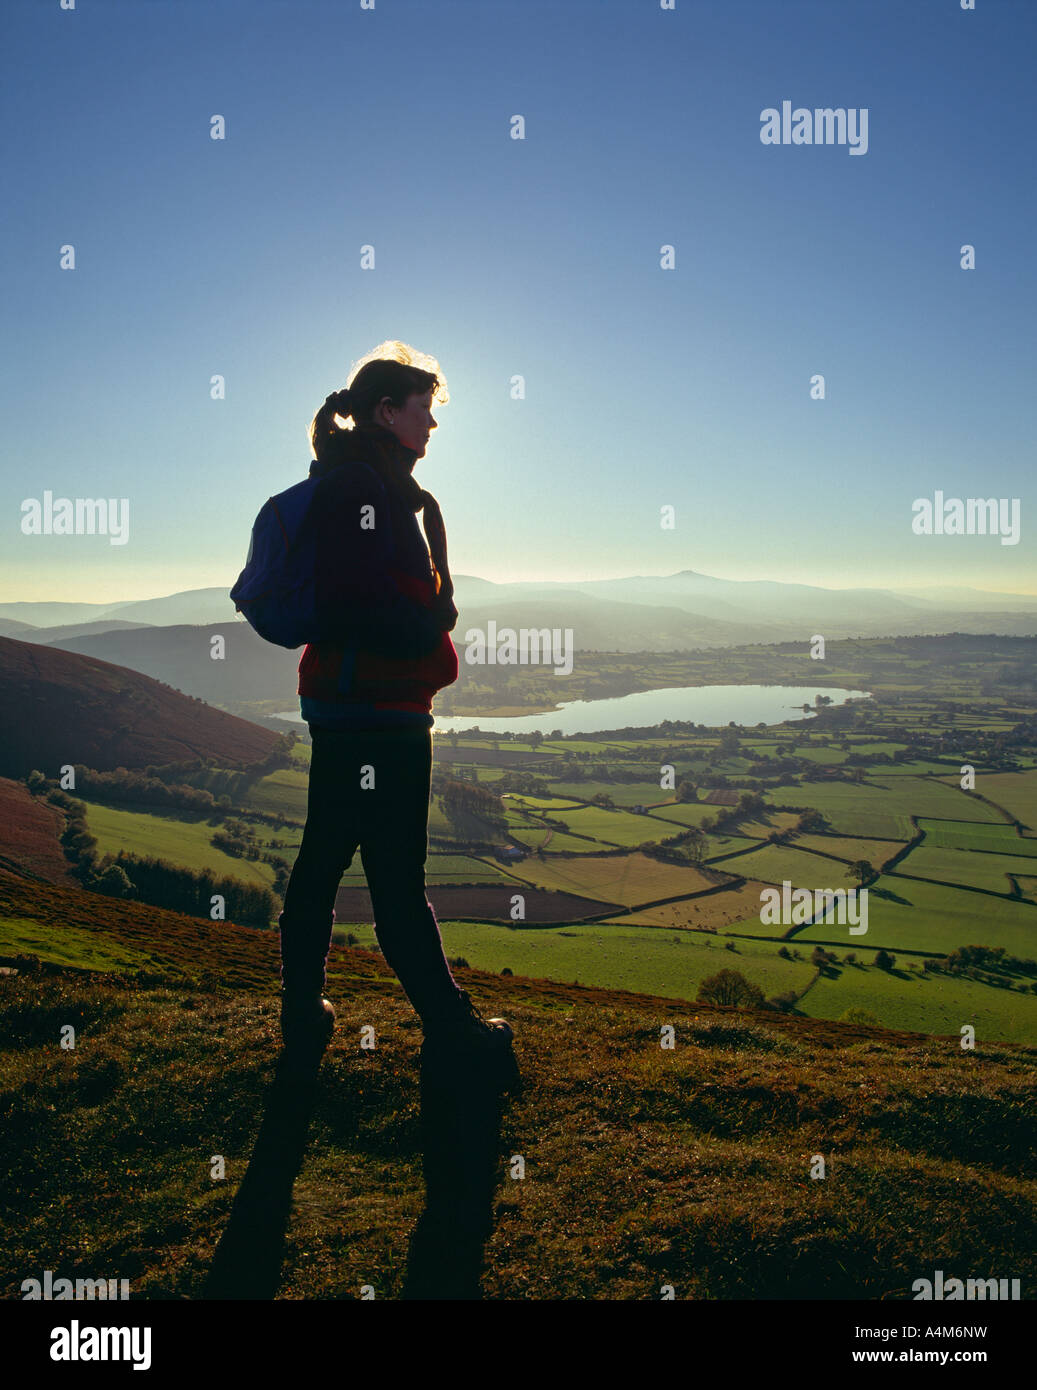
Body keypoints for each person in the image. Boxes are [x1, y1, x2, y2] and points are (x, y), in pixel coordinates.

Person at [277, 342, 516, 1072]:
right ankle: (454, 1032)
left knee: (324, 862)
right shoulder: (367, 492)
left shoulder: (357, 482)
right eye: (424, 410)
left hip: (347, 705)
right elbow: (378, 601)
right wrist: (435, 616)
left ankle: (303, 1016)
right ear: (387, 410)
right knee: (393, 879)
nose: (432, 425)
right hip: (380, 712)